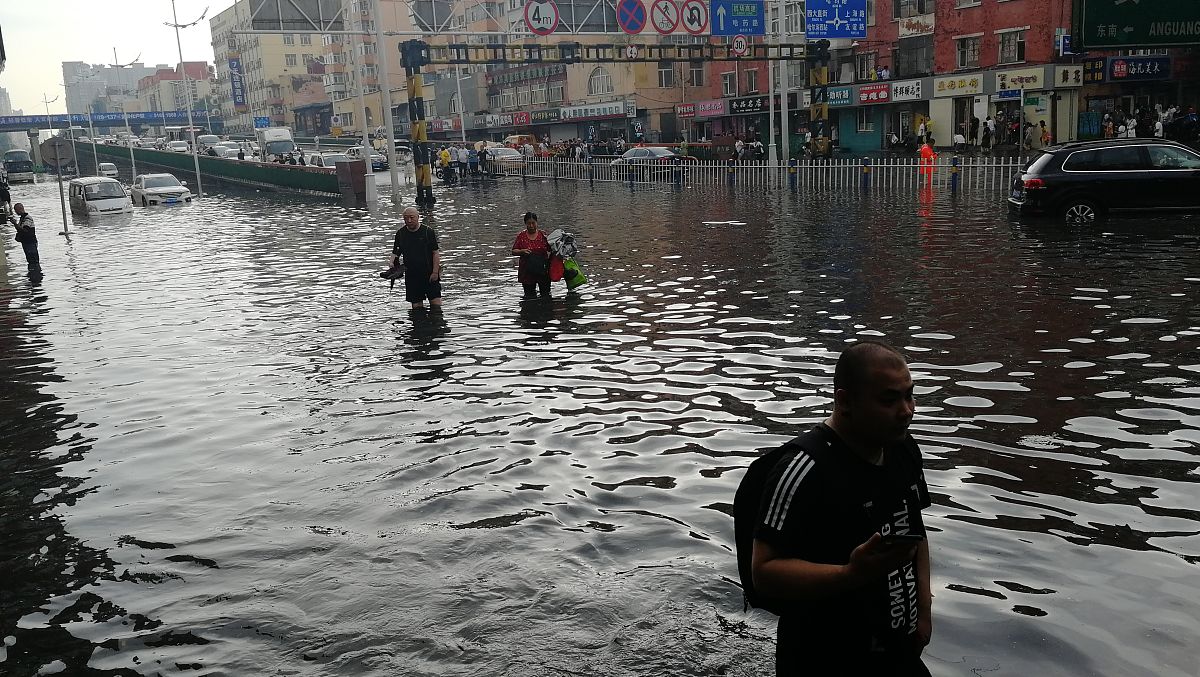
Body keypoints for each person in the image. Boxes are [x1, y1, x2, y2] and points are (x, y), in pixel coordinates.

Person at [752, 341, 932, 676]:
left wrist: (923, 613)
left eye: (909, 395)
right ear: (845, 401)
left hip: (899, 650)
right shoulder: (805, 468)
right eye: (889, 400)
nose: (907, 410)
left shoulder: (903, 449)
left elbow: (916, 534)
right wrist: (850, 574)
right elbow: (763, 571)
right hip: (823, 656)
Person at [390, 207, 442, 310]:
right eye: (406, 218)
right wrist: (392, 264)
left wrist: (435, 272)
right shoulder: (400, 234)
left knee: (436, 304)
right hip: (412, 275)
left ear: (418, 217)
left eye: (411, 217)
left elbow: (435, 253)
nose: (409, 221)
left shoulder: (428, 232)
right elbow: (395, 253)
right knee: (416, 308)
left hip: (429, 273)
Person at [512, 211, 551, 299]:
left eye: (533, 223)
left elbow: (551, 249)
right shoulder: (521, 236)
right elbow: (514, 251)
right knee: (529, 296)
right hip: (527, 272)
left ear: (537, 223)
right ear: (525, 224)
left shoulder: (543, 235)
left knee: (546, 295)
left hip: (542, 270)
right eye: (529, 223)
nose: (531, 226)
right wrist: (522, 251)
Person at [8, 203, 41, 275]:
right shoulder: (22, 218)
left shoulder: (27, 218)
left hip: (30, 243)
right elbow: (20, 230)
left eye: (16, 210)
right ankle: (33, 275)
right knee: (30, 260)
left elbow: (25, 230)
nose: (16, 212)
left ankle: (36, 276)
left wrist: (15, 224)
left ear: (20, 209)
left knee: (33, 261)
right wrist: (15, 224)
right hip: (26, 242)